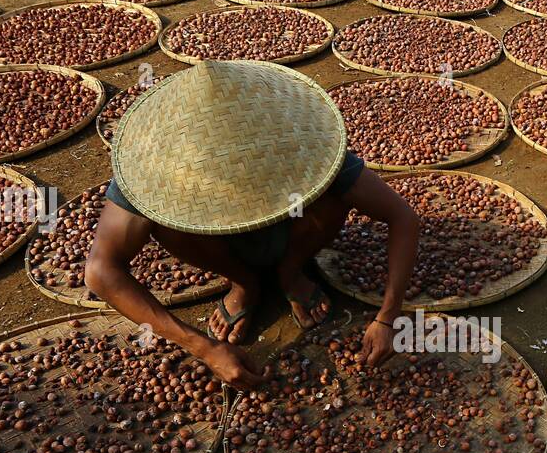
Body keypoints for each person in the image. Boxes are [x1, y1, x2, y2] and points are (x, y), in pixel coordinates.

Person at [85, 60, 420, 391]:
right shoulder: (155, 169)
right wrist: (203, 348)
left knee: (332, 191)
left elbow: (403, 217)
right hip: (219, 248)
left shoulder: (302, 145)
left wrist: (388, 318)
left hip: (297, 232)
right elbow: (101, 271)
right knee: (163, 221)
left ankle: (291, 271)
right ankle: (244, 283)